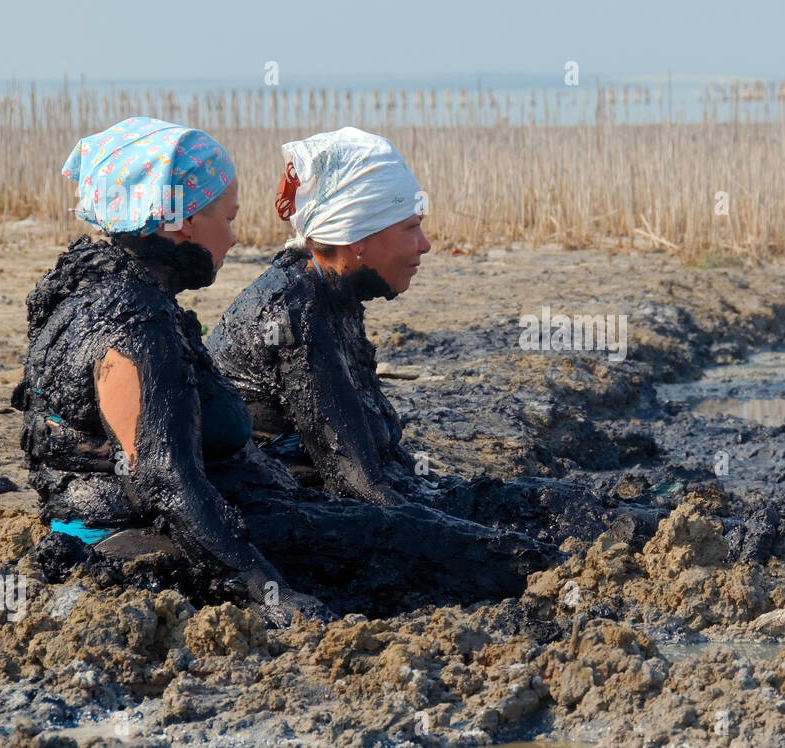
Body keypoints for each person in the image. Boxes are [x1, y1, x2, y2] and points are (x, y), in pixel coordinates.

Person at [16, 118, 553, 629]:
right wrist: (274, 597)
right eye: (226, 219)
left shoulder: (93, 291)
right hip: (140, 547)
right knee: (473, 554)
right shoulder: (133, 323)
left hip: (211, 518)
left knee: (450, 534)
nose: (232, 239)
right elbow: (162, 481)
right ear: (180, 222)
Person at [208, 127, 661, 545]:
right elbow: (355, 481)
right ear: (357, 237)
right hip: (295, 516)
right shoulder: (295, 313)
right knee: (519, 547)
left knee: (561, 503)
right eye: (411, 228)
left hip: (346, 495)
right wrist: (495, 544)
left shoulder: (332, 292)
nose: (424, 245)